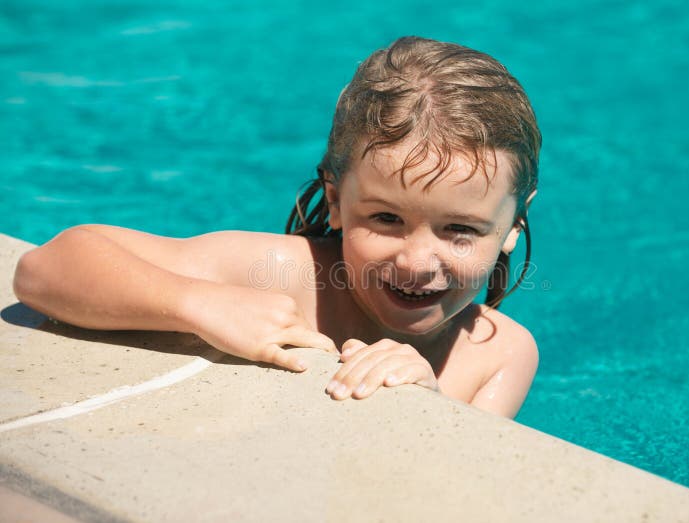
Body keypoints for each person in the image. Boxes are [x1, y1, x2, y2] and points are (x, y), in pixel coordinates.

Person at [13, 36, 542, 418]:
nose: (415, 262)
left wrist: (428, 407)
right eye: (386, 218)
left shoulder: (500, 355)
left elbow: (459, 493)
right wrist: (197, 302)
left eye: (459, 230)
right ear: (336, 202)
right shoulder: (279, 276)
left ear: (513, 226)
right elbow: (45, 268)